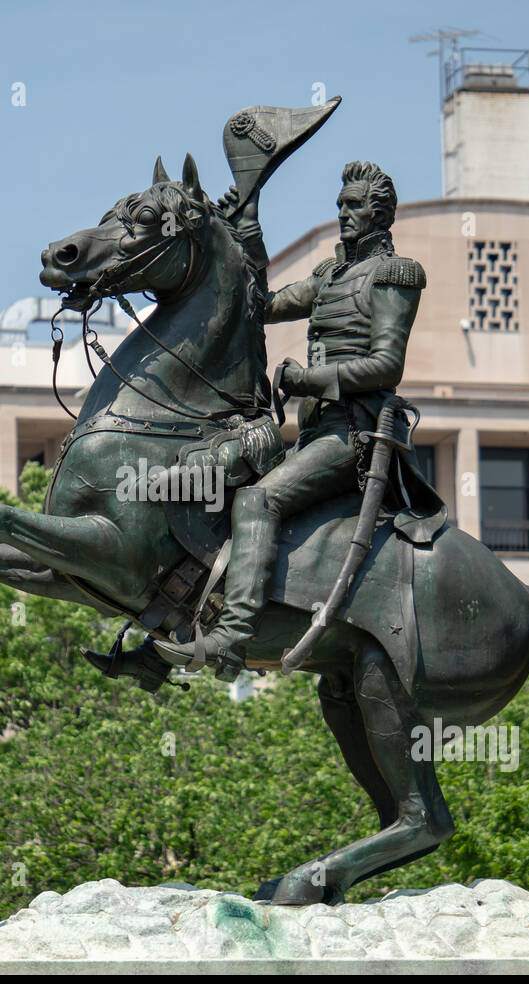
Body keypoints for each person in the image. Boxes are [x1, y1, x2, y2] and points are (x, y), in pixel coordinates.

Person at [154, 161, 446, 678]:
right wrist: (248, 227)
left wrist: (308, 379)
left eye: (353, 206)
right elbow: (258, 304)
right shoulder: (329, 276)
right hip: (315, 434)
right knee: (217, 486)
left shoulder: (395, 275)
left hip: (355, 434)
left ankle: (233, 635)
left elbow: (387, 365)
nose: (343, 214)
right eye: (340, 206)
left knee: (258, 498)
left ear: (379, 214)